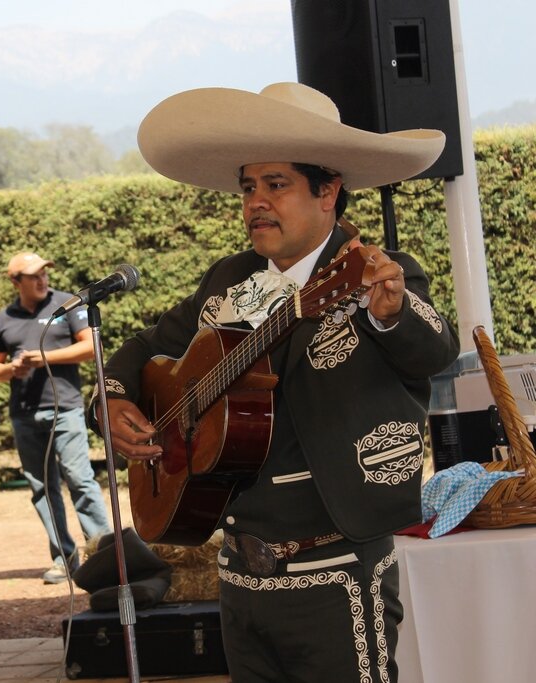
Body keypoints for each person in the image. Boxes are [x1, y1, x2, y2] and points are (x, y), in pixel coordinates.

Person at [96, 83, 460, 682]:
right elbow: (143, 350)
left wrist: (390, 310)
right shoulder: (227, 279)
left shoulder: (374, 273)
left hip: (336, 571)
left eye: (276, 184)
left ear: (329, 192)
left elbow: (434, 349)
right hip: (239, 577)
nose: (255, 203)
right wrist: (110, 401)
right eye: (247, 187)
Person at [0, 251, 111, 584]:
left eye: (44, 274)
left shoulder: (67, 305)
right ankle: (64, 559)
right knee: (42, 488)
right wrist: (12, 368)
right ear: (16, 282)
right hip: (24, 415)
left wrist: (44, 358)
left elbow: (90, 348)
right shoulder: (3, 319)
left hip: (66, 408)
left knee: (80, 479)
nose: (42, 280)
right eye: (33, 276)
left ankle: (104, 553)